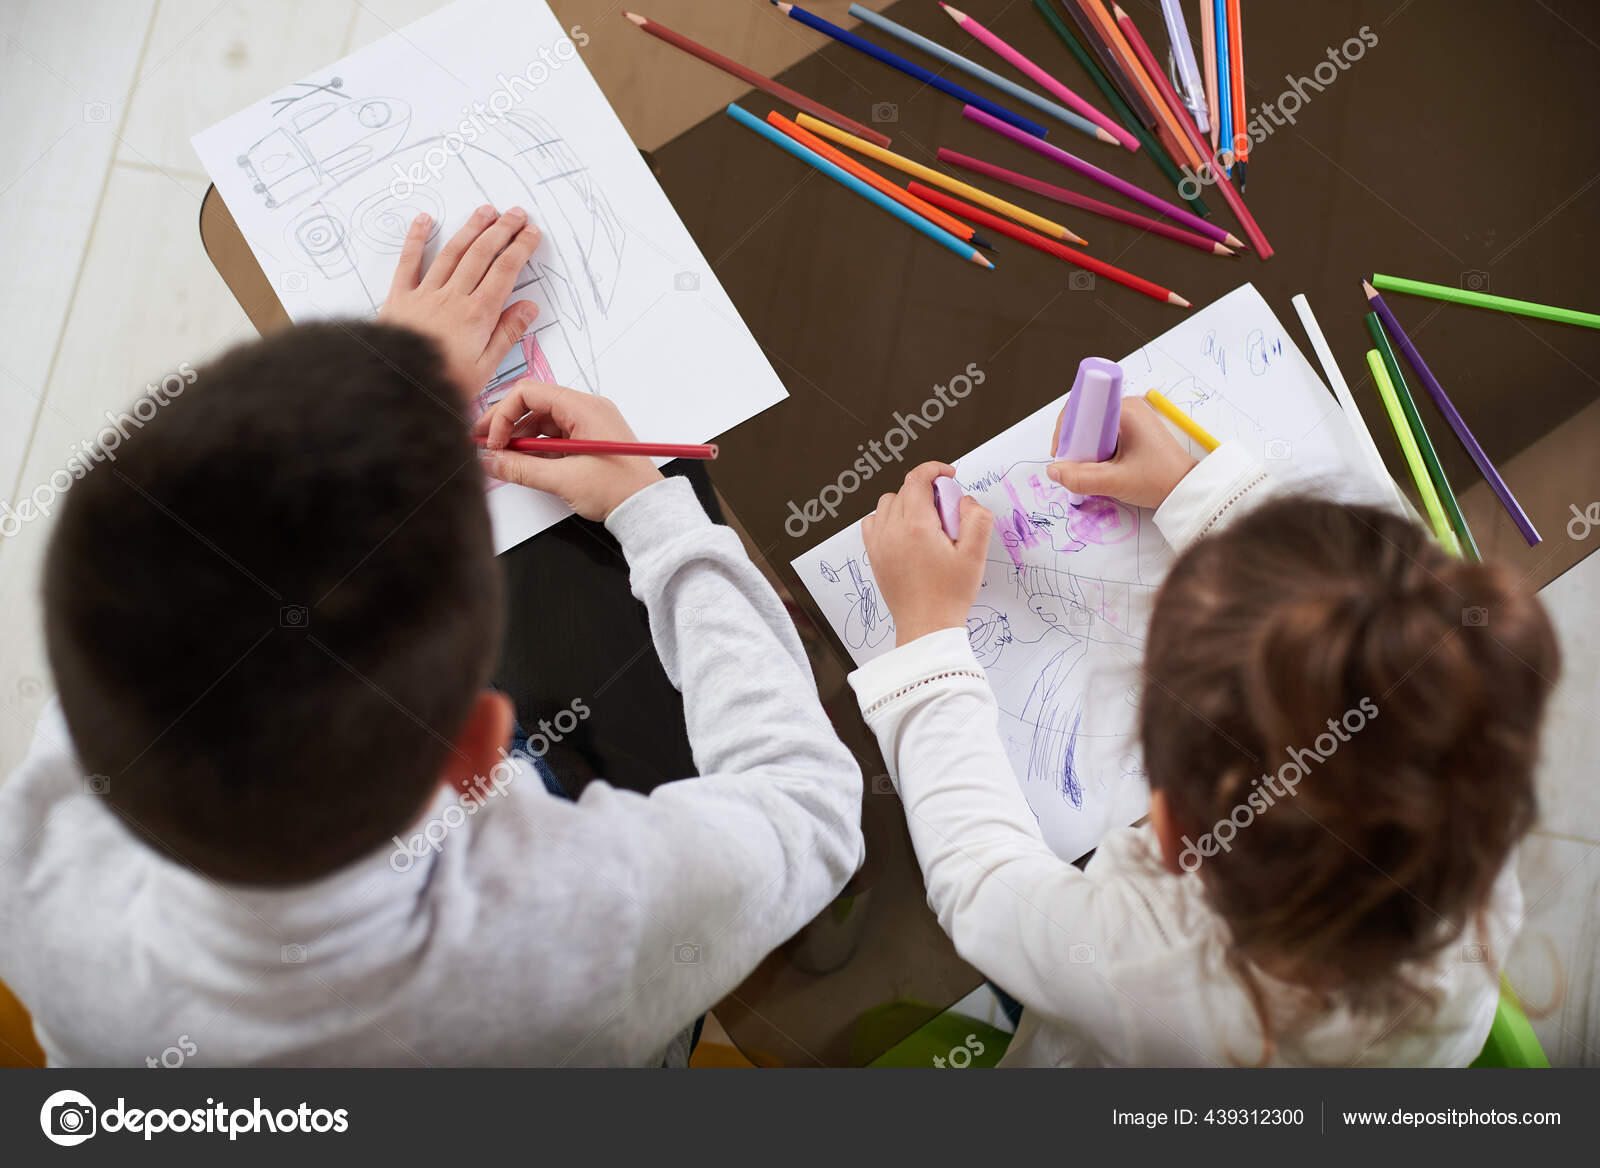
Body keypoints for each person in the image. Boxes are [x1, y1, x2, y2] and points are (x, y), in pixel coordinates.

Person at [0, 208, 862, 1066]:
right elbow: (809, 807)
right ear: (486, 754)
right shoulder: (570, 931)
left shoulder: (33, 862)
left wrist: (383, 401)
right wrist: (656, 515)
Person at [850, 399, 1558, 1065]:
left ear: (1173, 829)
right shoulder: (1465, 819)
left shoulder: (1138, 967)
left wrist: (927, 637)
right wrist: (1197, 489)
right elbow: (1368, 638)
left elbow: (980, 877)